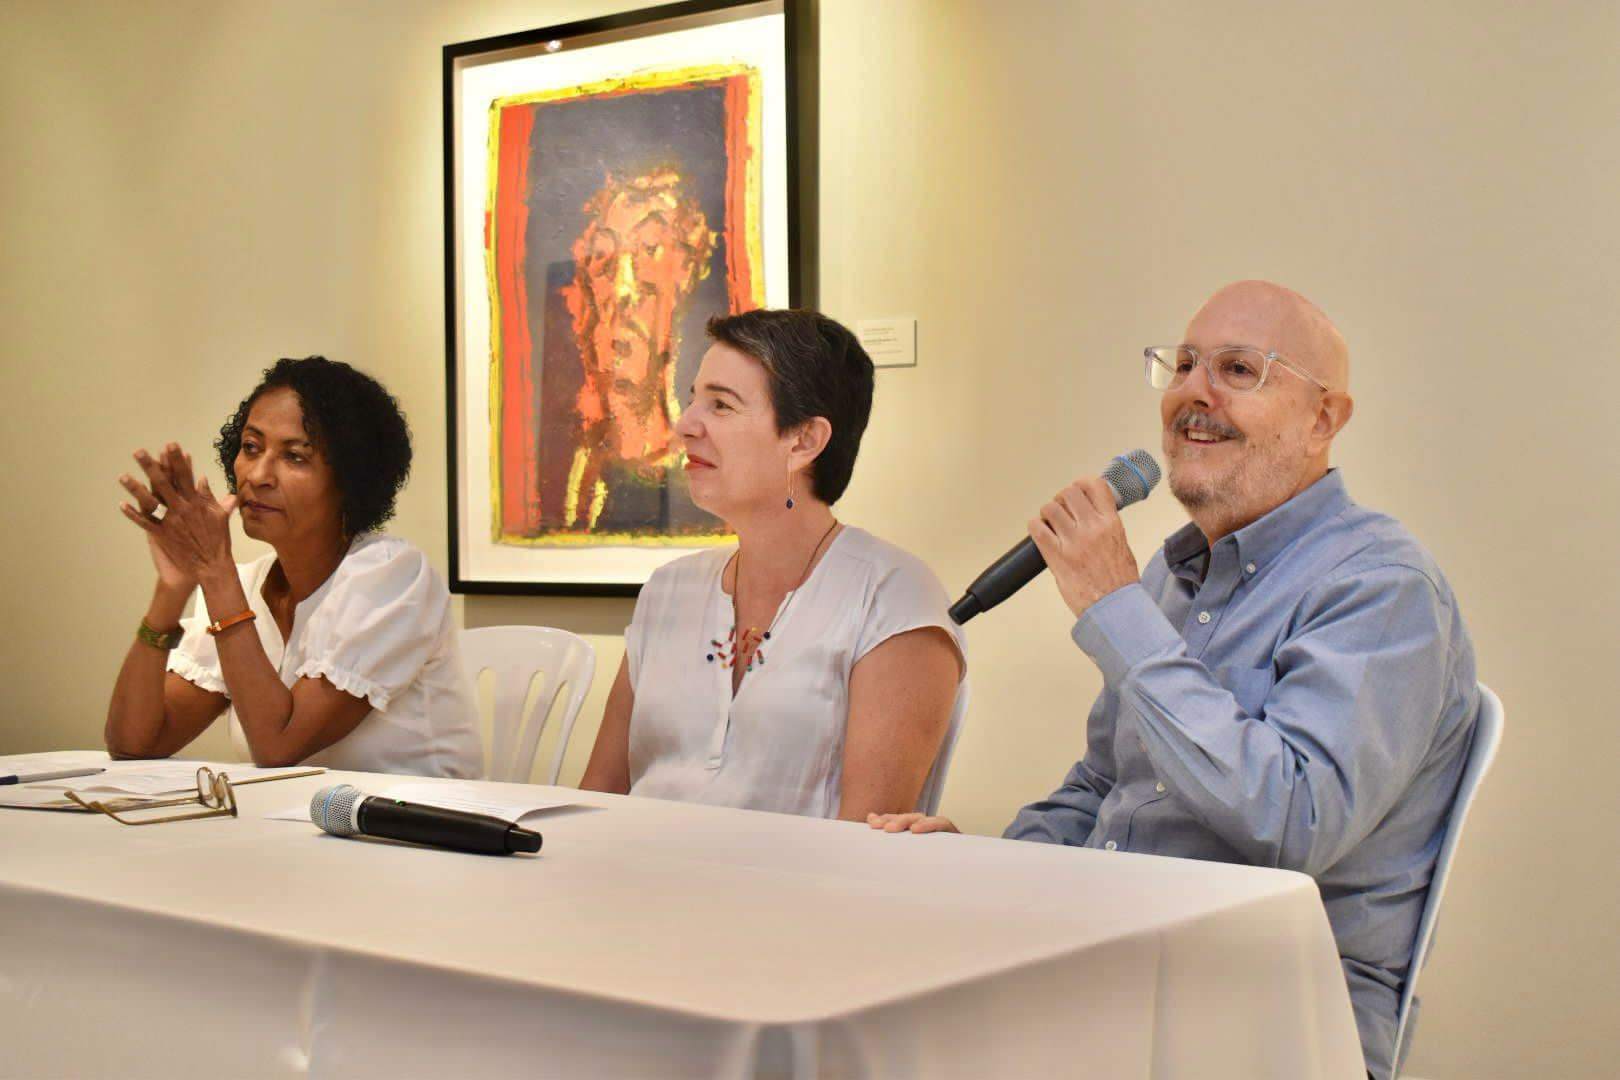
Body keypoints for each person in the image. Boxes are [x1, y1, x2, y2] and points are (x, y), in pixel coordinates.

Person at [870, 281, 1478, 1080]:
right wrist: (994, 872)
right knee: (877, 1008)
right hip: (1116, 974)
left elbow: (1294, 820)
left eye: (1238, 369)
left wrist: (1116, 609)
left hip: (1274, 1023)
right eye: (1184, 364)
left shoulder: (1382, 587)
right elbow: (1104, 785)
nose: (1193, 391)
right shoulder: (1173, 574)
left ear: (1324, 420)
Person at [581, 309, 968, 820]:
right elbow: (597, 798)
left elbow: (867, 839)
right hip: (633, 868)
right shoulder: (668, 589)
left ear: (803, 441)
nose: (685, 425)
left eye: (721, 405)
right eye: (694, 399)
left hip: (806, 875)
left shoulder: (893, 596)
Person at [105, 356, 483, 777]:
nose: (258, 475)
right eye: (251, 447)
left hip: (421, 816)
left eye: (295, 457)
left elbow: (278, 745)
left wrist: (215, 571)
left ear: (350, 480)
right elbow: (134, 744)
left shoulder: (393, 576)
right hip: (301, 817)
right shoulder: (244, 585)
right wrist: (172, 590)